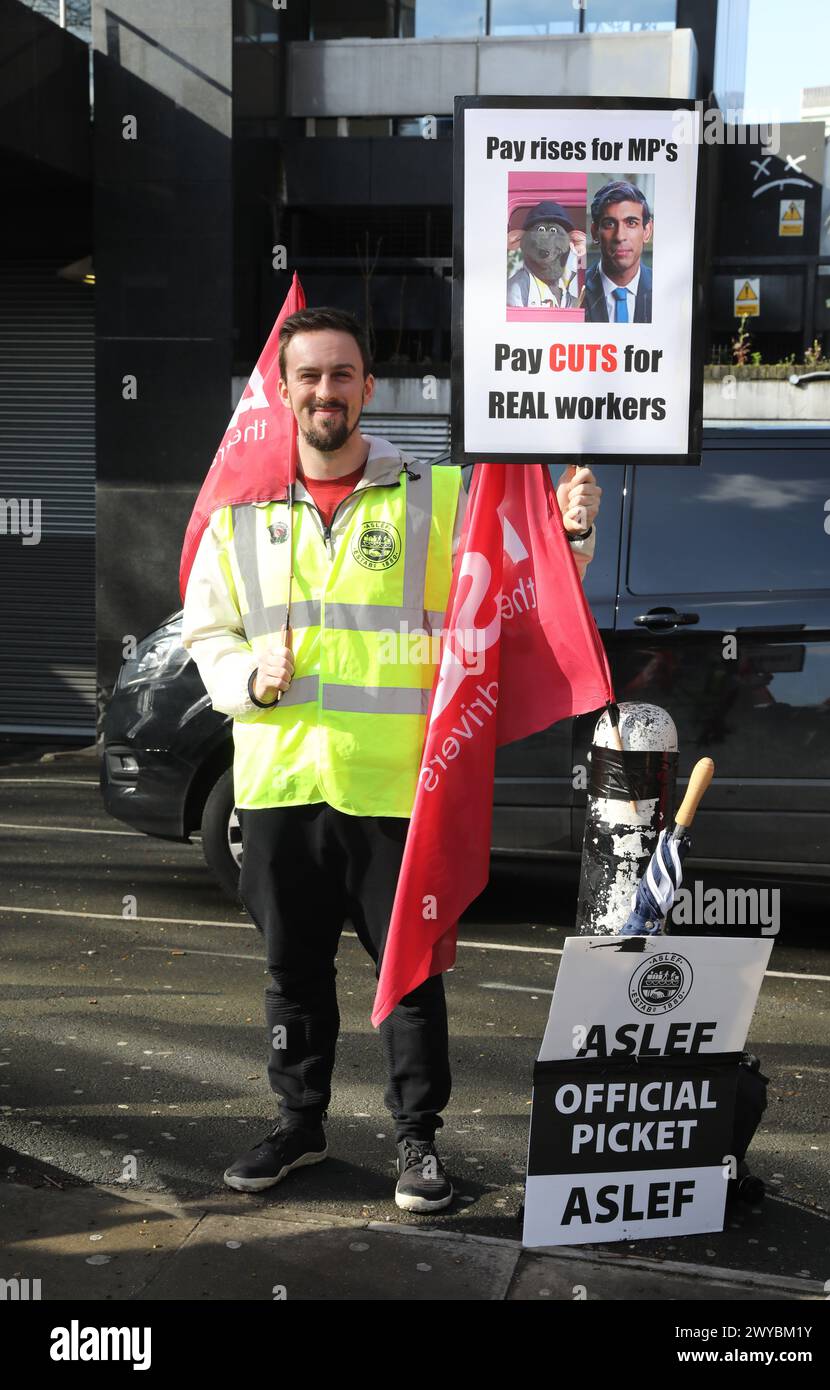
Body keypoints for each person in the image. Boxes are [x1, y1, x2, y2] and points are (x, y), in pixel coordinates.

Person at [180, 307, 602, 1212]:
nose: (325, 392)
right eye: (309, 377)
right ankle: (299, 1124)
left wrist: (569, 535)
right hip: (280, 782)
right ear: (283, 391)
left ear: (368, 388)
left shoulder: (433, 496)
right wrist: (246, 679)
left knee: (410, 972)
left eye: (342, 376)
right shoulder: (239, 513)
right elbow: (205, 629)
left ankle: (418, 1145)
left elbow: (518, 577)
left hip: (395, 787)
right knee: (291, 972)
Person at [583, 181, 653, 324]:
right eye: (610, 224)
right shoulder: (573, 293)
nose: (620, 236)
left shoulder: (663, 289)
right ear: (595, 232)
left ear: (647, 231)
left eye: (631, 223)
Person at [507, 200, 586, 309]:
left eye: (554, 231)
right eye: (541, 230)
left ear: (573, 242)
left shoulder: (562, 289)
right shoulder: (518, 288)